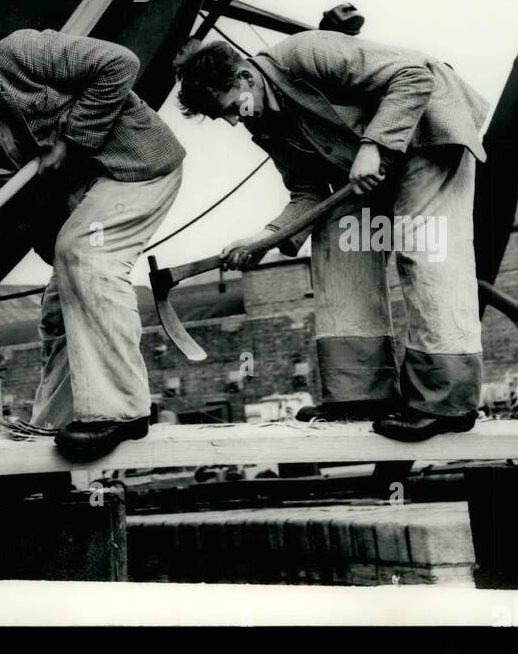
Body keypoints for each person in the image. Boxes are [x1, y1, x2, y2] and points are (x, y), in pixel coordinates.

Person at [173, 28, 490, 442]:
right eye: (224, 118)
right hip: (370, 165)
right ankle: (360, 393)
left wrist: (374, 145)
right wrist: (265, 238)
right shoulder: (266, 125)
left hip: (430, 131)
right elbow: (307, 194)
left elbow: (414, 75)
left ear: (244, 78)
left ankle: (447, 403)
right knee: (338, 241)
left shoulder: (306, 55)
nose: (235, 120)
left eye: (230, 107)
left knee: (425, 248)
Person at [0, 28, 185, 462]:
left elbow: (120, 64)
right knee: (58, 307)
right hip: (88, 200)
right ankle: (52, 436)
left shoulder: (21, 55)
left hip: (135, 168)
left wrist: (69, 141)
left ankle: (122, 411)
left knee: (83, 254)